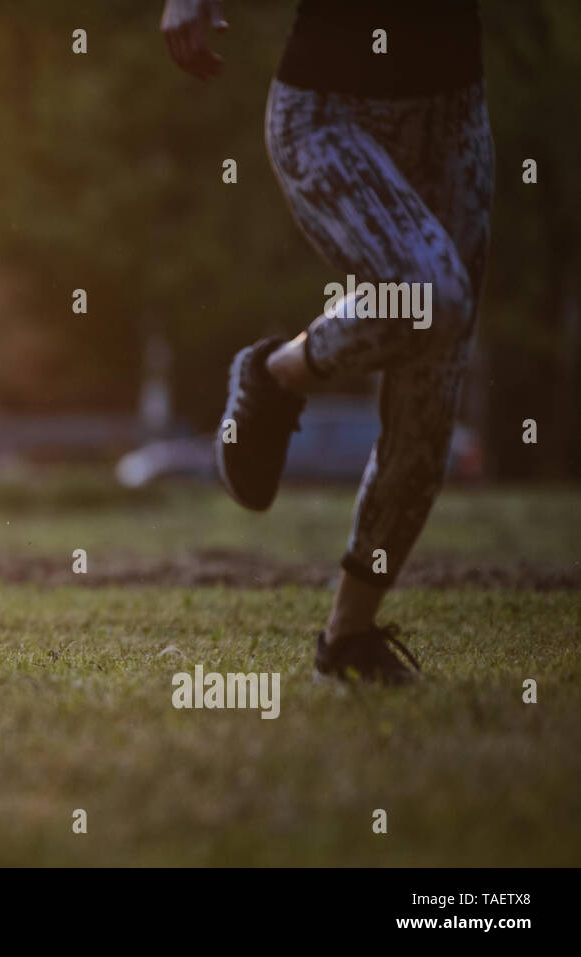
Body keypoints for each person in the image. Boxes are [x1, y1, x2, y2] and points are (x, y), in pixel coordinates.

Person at [161, 0, 494, 684]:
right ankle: (280, 372)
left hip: (455, 118)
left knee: (433, 394)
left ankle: (349, 637)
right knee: (434, 294)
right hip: (327, 114)